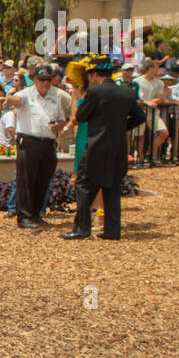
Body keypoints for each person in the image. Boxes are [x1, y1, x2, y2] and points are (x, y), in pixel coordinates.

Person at [61, 59, 145, 240]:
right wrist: (121, 127)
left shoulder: (95, 92)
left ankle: (81, 228)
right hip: (118, 148)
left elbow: (82, 116)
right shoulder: (127, 92)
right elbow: (140, 117)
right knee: (112, 188)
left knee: (84, 187)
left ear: (94, 74)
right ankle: (112, 230)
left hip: (96, 147)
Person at [2, 64, 66, 228]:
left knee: (43, 179)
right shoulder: (26, 94)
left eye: (48, 79)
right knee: (26, 180)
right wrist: (7, 99)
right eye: (41, 79)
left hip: (48, 142)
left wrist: (57, 126)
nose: (45, 83)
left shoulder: (55, 98)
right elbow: (15, 100)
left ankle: (36, 213)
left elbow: (61, 120)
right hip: (29, 141)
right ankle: (24, 215)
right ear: (34, 80)